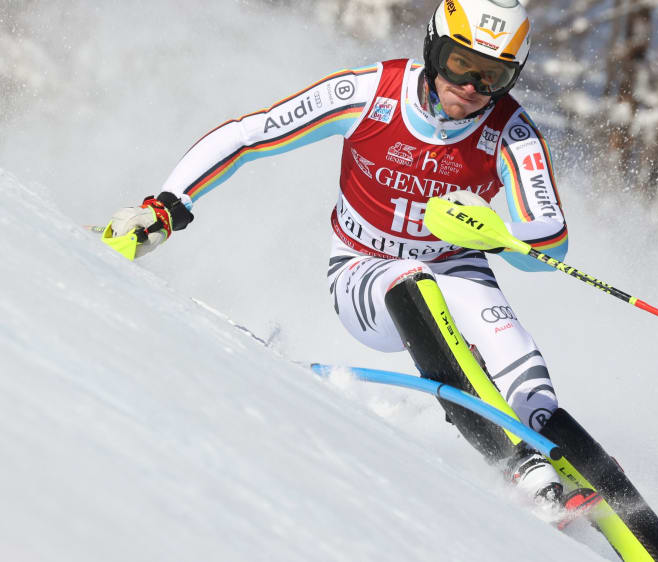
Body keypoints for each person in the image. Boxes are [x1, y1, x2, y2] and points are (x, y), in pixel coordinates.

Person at [108, 0, 577, 516]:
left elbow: (550, 242)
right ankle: (517, 464)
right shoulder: (368, 92)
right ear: (432, 47)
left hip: (457, 264)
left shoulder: (511, 132)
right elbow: (251, 135)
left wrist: (503, 235)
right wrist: (169, 205)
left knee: (523, 369)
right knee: (409, 277)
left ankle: (619, 512)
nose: (471, 87)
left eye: (493, 76)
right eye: (460, 63)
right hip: (363, 269)